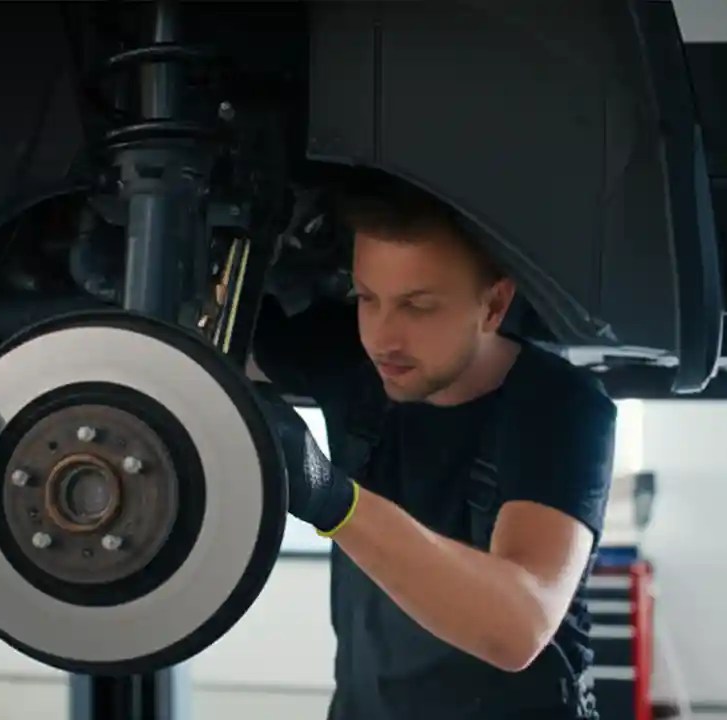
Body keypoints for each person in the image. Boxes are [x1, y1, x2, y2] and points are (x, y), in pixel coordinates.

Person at [250, 173, 618, 720]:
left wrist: (330, 498)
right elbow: (198, 347)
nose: (383, 336)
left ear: (493, 306)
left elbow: (519, 624)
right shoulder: (355, 361)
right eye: (367, 297)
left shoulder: (560, 406)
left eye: (418, 306)